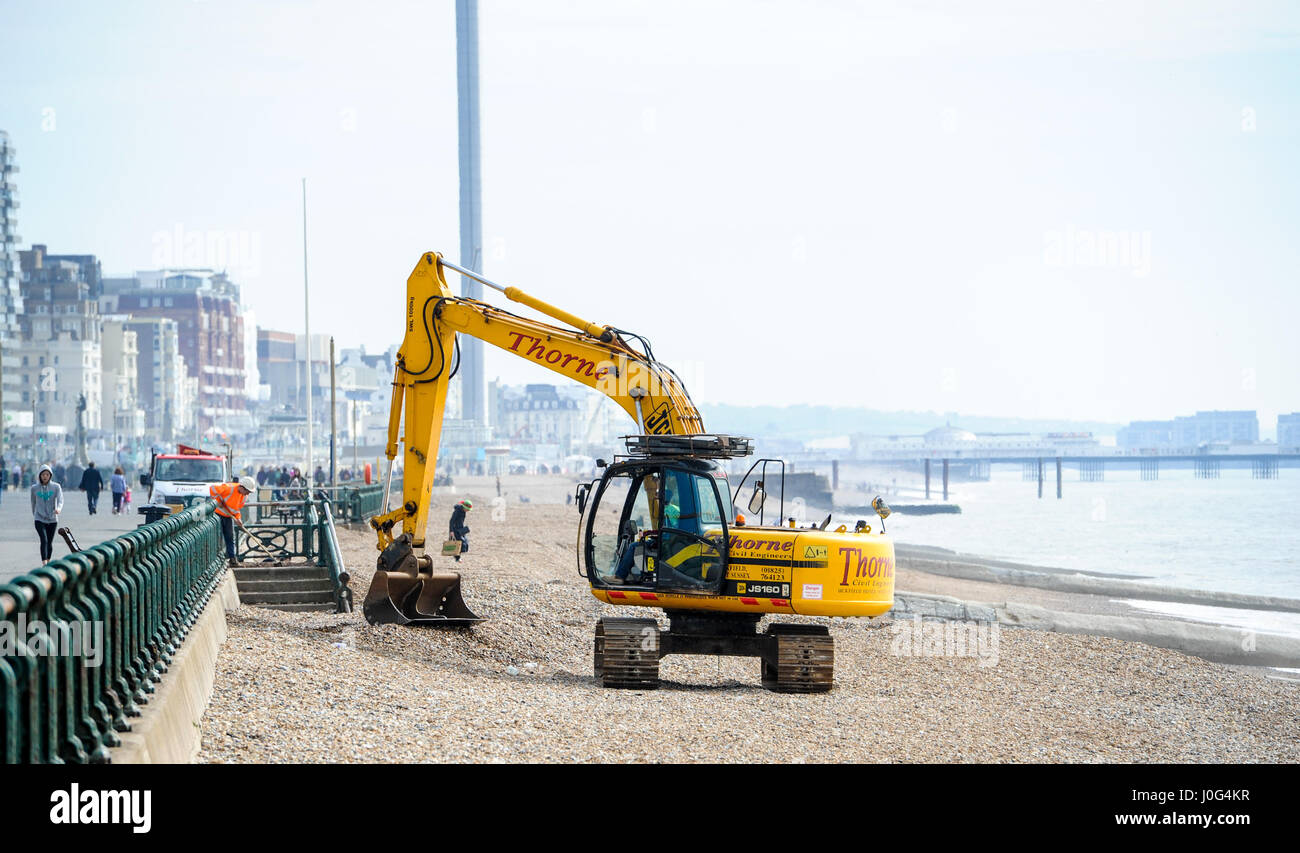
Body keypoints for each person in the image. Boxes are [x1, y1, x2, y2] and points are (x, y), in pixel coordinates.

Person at [210, 477, 256, 567]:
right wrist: (217, 501)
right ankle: (216, 561)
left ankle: (232, 559)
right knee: (216, 538)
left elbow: (236, 510)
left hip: (228, 517)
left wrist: (238, 518)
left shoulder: (244, 497)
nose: (248, 494)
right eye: (247, 491)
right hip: (217, 515)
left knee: (230, 538)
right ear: (242, 487)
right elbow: (212, 489)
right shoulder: (228, 488)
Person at [31, 464, 63, 563]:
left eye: (47, 474)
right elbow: (33, 502)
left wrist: (58, 509)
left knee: (49, 542)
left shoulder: (56, 487)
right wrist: (35, 515)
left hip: (53, 519)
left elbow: (61, 500)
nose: (45, 476)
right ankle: (44, 562)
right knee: (44, 540)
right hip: (39, 519)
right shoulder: (34, 488)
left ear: (50, 476)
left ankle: (48, 561)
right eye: (43, 474)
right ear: (40, 475)